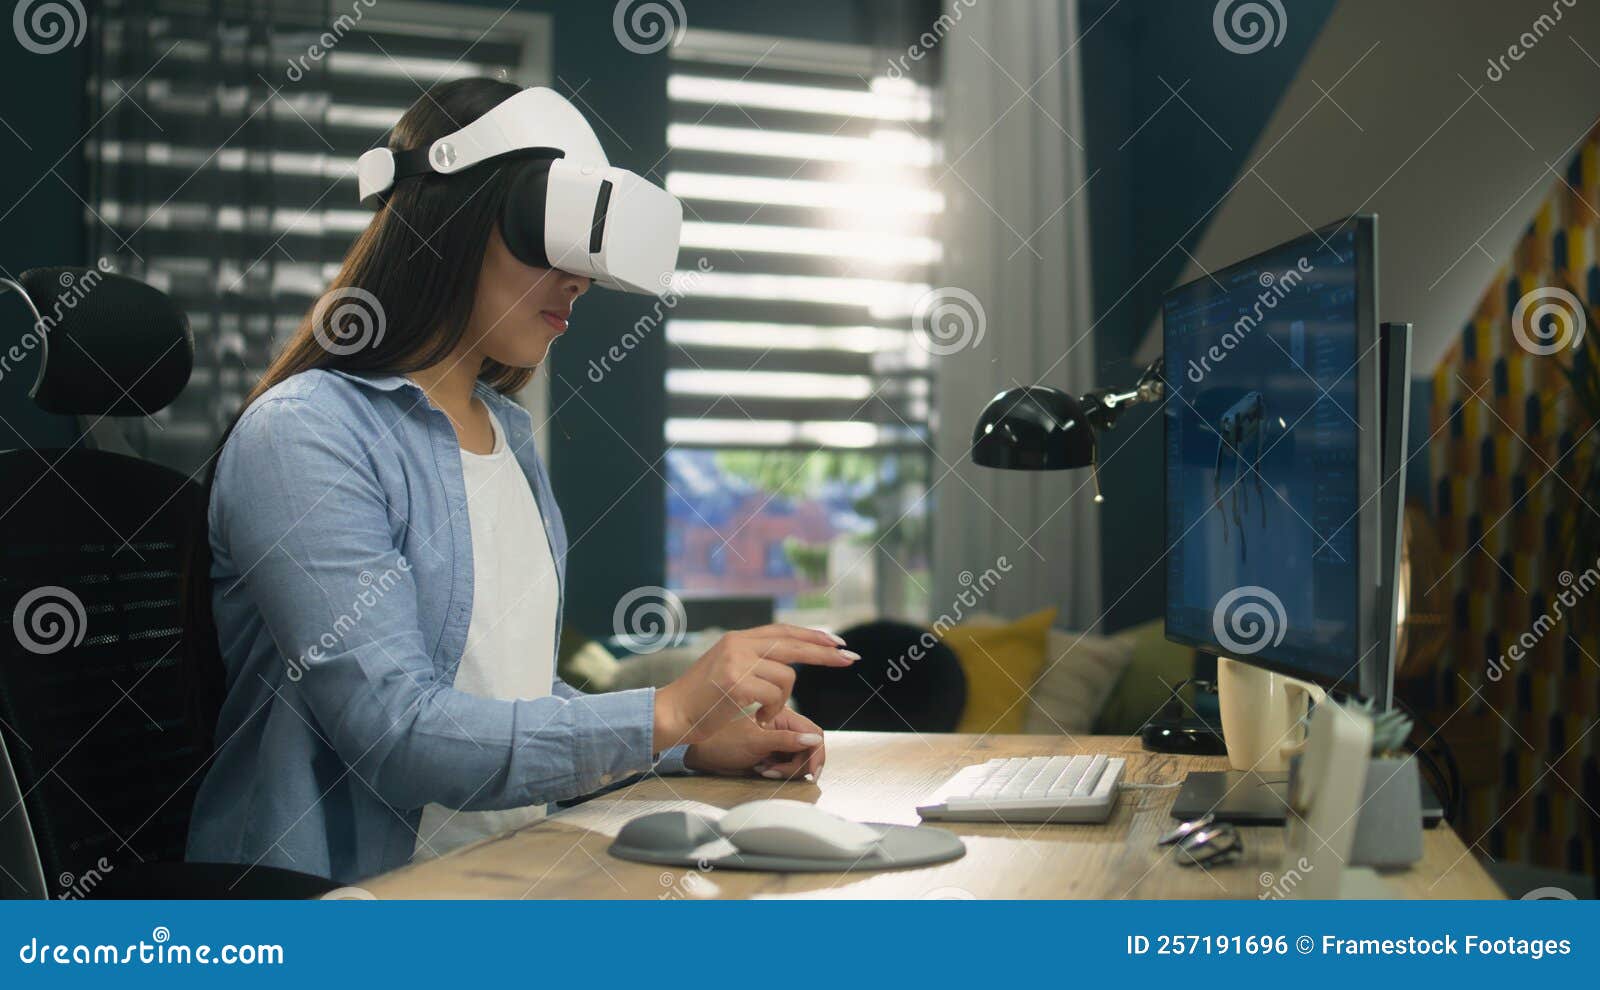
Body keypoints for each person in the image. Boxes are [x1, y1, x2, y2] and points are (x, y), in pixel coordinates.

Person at [183, 77, 854, 884]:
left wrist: (688, 739)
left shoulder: (506, 430)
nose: (579, 279)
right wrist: (664, 708)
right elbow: (394, 731)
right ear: (453, 222)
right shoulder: (305, 434)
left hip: (510, 871)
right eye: (552, 233)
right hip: (354, 903)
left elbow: (504, 695)